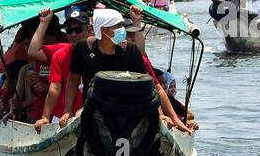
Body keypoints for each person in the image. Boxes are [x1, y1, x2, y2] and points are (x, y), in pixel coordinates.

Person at [63, 7, 191, 134]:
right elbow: (73, 81)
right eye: (118, 26)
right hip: (93, 108)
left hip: (128, 108)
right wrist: (68, 110)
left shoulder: (131, 51)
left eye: (122, 25)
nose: (122, 30)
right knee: (81, 121)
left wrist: (170, 117)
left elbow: (153, 87)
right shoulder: (83, 48)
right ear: (103, 30)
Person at [34, 8, 90, 128]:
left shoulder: (99, 52)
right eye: (69, 31)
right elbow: (54, 88)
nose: (73, 34)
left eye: (78, 29)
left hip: (90, 114)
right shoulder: (60, 55)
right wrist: (45, 117)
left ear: (88, 30)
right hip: (62, 117)